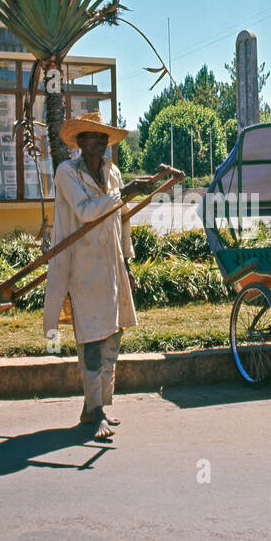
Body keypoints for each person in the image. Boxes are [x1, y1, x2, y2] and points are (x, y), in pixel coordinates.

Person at [43, 112, 167, 440]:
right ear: (80, 142)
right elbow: (86, 212)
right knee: (92, 338)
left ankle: (94, 405)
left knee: (113, 333)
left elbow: (121, 218)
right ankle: (95, 410)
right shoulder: (66, 172)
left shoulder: (112, 172)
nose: (100, 142)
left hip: (110, 265)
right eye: (93, 136)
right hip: (83, 268)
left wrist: (127, 261)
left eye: (104, 137)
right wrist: (125, 191)